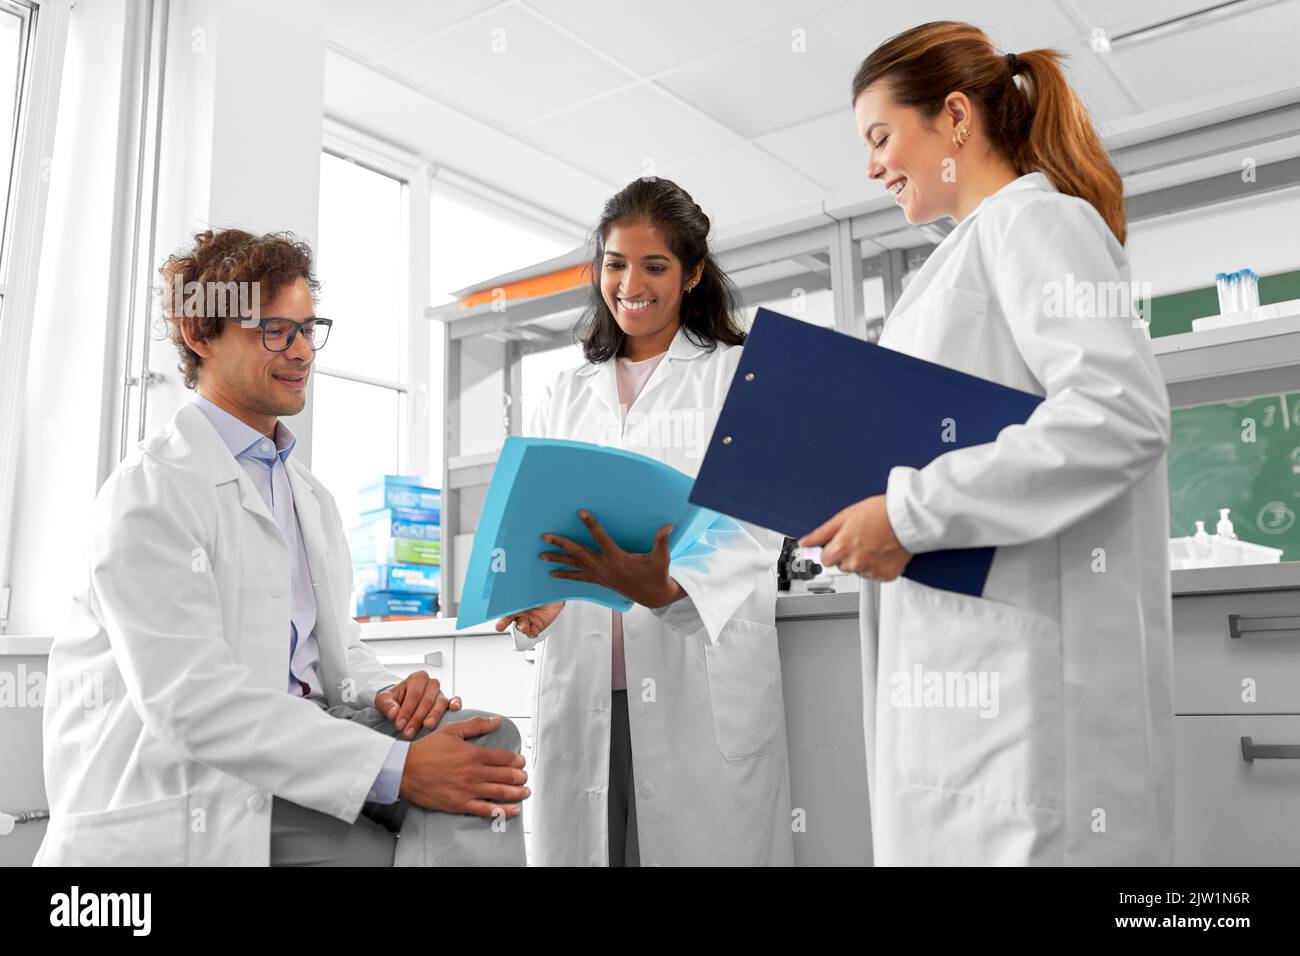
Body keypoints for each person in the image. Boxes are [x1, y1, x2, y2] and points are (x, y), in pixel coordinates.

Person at [800, 21, 1174, 865]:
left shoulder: (1037, 223)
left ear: (956, 117)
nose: (871, 166)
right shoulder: (961, 258)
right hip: (964, 676)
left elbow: (1119, 413)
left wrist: (906, 512)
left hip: (1027, 700)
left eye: (881, 135)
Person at [36, 228, 528, 867]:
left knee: (488, 739)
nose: (301, 352)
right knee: (382, 845)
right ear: (199, 334)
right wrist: (399, 770)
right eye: (274, 331)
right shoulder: (151, 493)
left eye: (307, 328)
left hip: (306, 741)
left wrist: (387, 692)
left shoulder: (305, 493)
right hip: (199, 785)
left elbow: (335, 649)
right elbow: (194, 703)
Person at [496, 178, 793, 866]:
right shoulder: (563, 394)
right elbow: (534, 529)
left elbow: (752, 529)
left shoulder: (739, 375)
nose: (631, 283)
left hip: (699, 677)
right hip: (585, 684)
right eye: (615, 263)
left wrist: (669, 587)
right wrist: (532, 597)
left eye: (654, 265)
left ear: (692, 273)